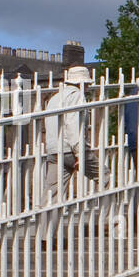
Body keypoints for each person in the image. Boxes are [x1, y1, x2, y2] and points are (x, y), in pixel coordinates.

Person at [41, 65, 95, 203]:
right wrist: (79, 153)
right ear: (81, 83)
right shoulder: (76, 95)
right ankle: (108, 219)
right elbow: (73, 125)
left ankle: (44, 224)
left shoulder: (55, 98)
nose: (88, 87)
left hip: (54, 151)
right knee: (106, 178)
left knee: (51, 196)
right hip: (70, 150)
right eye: (87, 84)